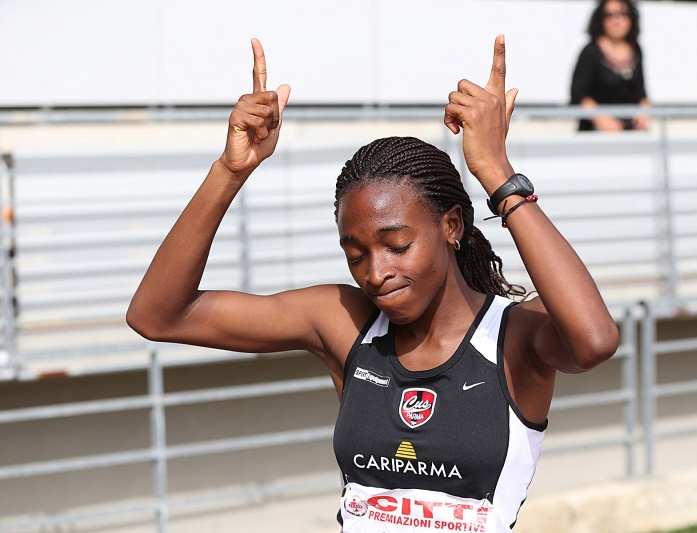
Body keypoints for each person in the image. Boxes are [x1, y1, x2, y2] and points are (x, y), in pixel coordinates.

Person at [127, 35, 619, 532]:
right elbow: (158, 316)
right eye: (355, 254)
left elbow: (595, 341)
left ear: (451, 226)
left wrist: (496, 173)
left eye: (398, 246)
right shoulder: (345, 325)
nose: (376, 273)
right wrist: (229, 172)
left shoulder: (514, 336)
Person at [571, 0, 650, 132]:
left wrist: (644, 113)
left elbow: (641, 92)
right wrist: (602, 119)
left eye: (623, 14)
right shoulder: (591, 51)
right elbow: (578, 95)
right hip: (597, 134)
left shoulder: (636, 50)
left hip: (631, 132)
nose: (617, 20)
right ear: (601, 19)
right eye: (609, 15)